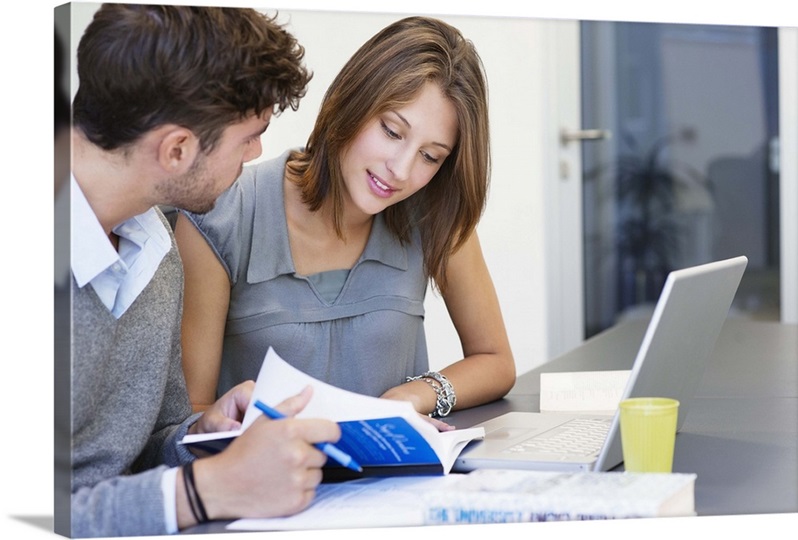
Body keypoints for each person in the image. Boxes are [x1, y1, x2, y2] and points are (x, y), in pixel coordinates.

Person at [65, 4, 341, 537]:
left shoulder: (155, 246)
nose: (260, 152)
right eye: (249, 136)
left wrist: (203, 432)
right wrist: (208, 488)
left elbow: (143, 445)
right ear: (177, 149)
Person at [175, 16, 516, 423]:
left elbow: (495, 360)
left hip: (395, 481)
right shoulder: (221, 214)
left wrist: (412, 397)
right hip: (269, 480)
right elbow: (189, 415)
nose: (401, 170)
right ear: (352, 102)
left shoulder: (432, 210)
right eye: (392, 131)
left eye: (430, 156)